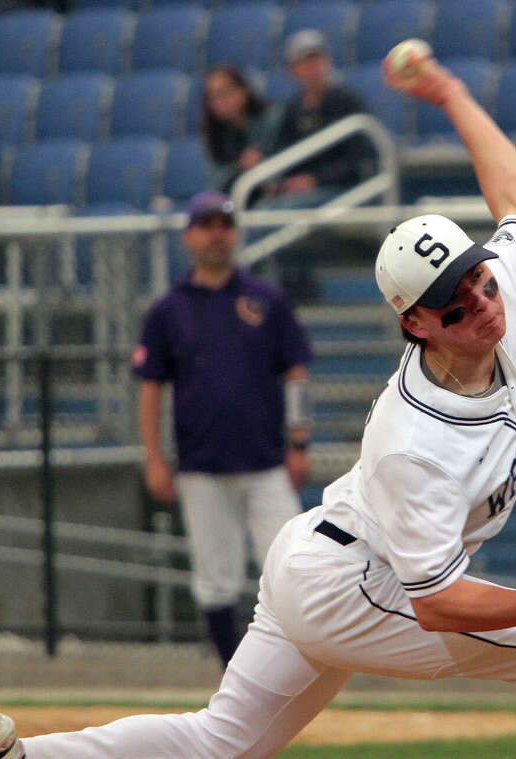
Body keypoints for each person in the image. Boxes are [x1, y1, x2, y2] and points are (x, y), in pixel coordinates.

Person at [0, 44, 516, 759]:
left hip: (316, 552)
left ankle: (21, 758)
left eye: (479, 279)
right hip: (356, 585)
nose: (480, 302)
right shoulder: (416, 444)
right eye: (452, 303)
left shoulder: (498, 291)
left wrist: (448, 95)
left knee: (218, 741)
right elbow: (436, 603)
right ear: (414, 323)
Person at [132, 190, 314, 669]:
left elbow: (295, 371)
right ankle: (234, 673)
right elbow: (150, 386)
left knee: (293, 566)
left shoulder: (265, 298)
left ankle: (296, 665)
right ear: (189, 235)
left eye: (224, 224)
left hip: (264, 460)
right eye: (207, 225)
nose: (217, 234)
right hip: (202, 464)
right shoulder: (169, 309)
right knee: (216, 578)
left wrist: (298, 440)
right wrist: (153, 456)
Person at [258, 29, 370, 209]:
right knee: (262, 208)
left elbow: (357, 159)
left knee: (282, 210)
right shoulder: (292, 110)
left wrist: (315, 180)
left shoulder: (347, 103)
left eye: (316, 59)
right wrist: (284, 183)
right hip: (302, 193)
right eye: (304, 61)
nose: (312, 67)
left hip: (342, 190)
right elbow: (284, 154)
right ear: (292, 69)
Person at [200, 64, 280, 194]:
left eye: (224, 92)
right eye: (212, 96)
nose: (219, 101)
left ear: (243, 90)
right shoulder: (213, 136)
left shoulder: (273, 120)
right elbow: (216, 182)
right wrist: (239, 167)